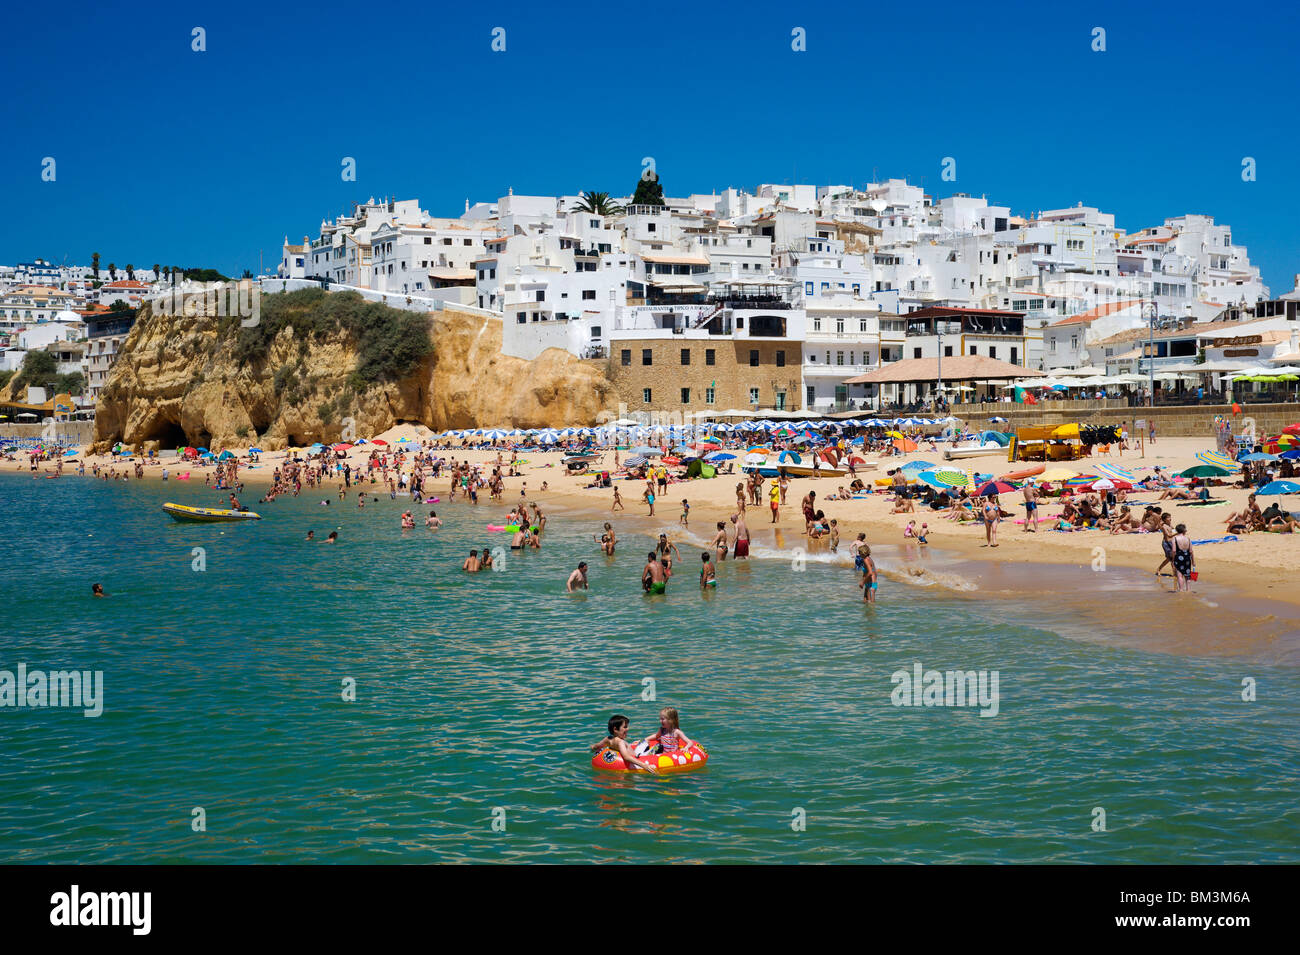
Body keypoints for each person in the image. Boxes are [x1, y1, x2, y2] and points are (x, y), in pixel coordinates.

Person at [591, 715, 658, 774]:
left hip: (634, 753)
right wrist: (644, 765)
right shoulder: (620, 742)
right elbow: (626, 757)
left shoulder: (608, 739)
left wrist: (592, 747)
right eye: (625, 727)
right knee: (658, 746)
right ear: (615, 729)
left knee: (642, 742)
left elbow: (597, 746)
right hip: (638, 757)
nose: (627, 729)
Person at [1171, 523, 1195, 592]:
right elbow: (1191, 551)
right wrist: (1193, 561)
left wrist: (1173, 560)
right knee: (1188, 575)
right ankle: (1188, 590)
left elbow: (1174, 550)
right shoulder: (1188, 539)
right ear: (1184, 530)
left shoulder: (1175, 538)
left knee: (1180, 574)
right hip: (1187, 557)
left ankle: (1181, 590)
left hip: (1178, 557)